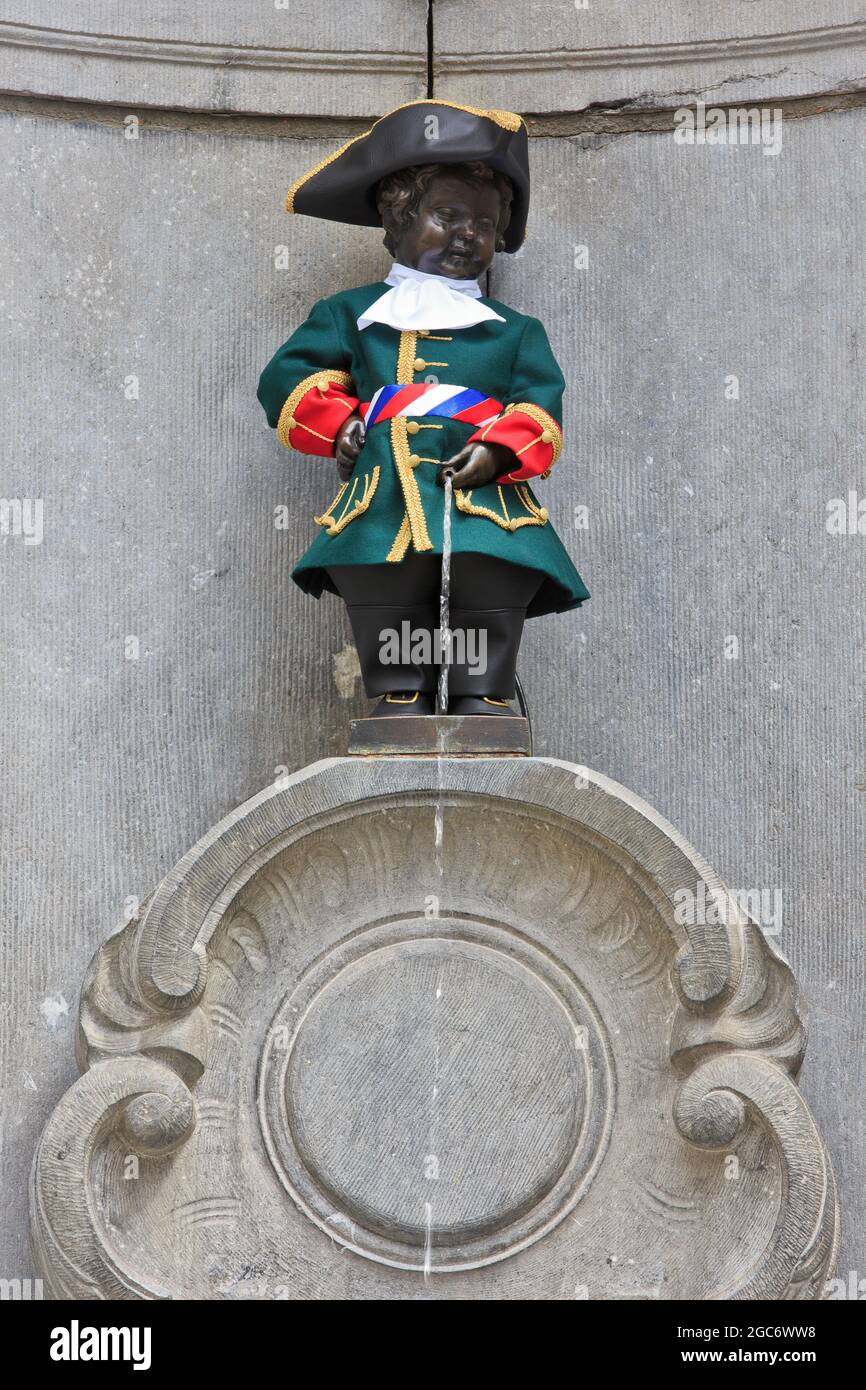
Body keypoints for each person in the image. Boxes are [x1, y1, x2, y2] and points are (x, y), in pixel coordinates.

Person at [258, 100, 589, 715]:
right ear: (398, 216)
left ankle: (482, 699)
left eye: (485, 225)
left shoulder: (515, 331)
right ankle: (398, 698)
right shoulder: (350, 312)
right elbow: (287, 376)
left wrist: (497, 449)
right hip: (383, 486)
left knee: (490, 577)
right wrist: (339, 424)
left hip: (485, 497)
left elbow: (541, 405)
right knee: (383, 580)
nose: (468, 235)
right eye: (448, 215)